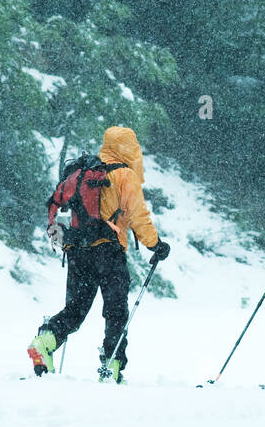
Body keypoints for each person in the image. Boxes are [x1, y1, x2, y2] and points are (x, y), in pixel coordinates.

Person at [28, 126, 170, 383]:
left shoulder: (82, 174)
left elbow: (56, 203)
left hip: (77, 251)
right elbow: (138, 216)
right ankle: (112, 365)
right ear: (129, 148)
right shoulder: (124, 176)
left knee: (75, 309)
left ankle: (44, 341)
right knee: (115, 311)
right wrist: (156, 244)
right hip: (108, 253)